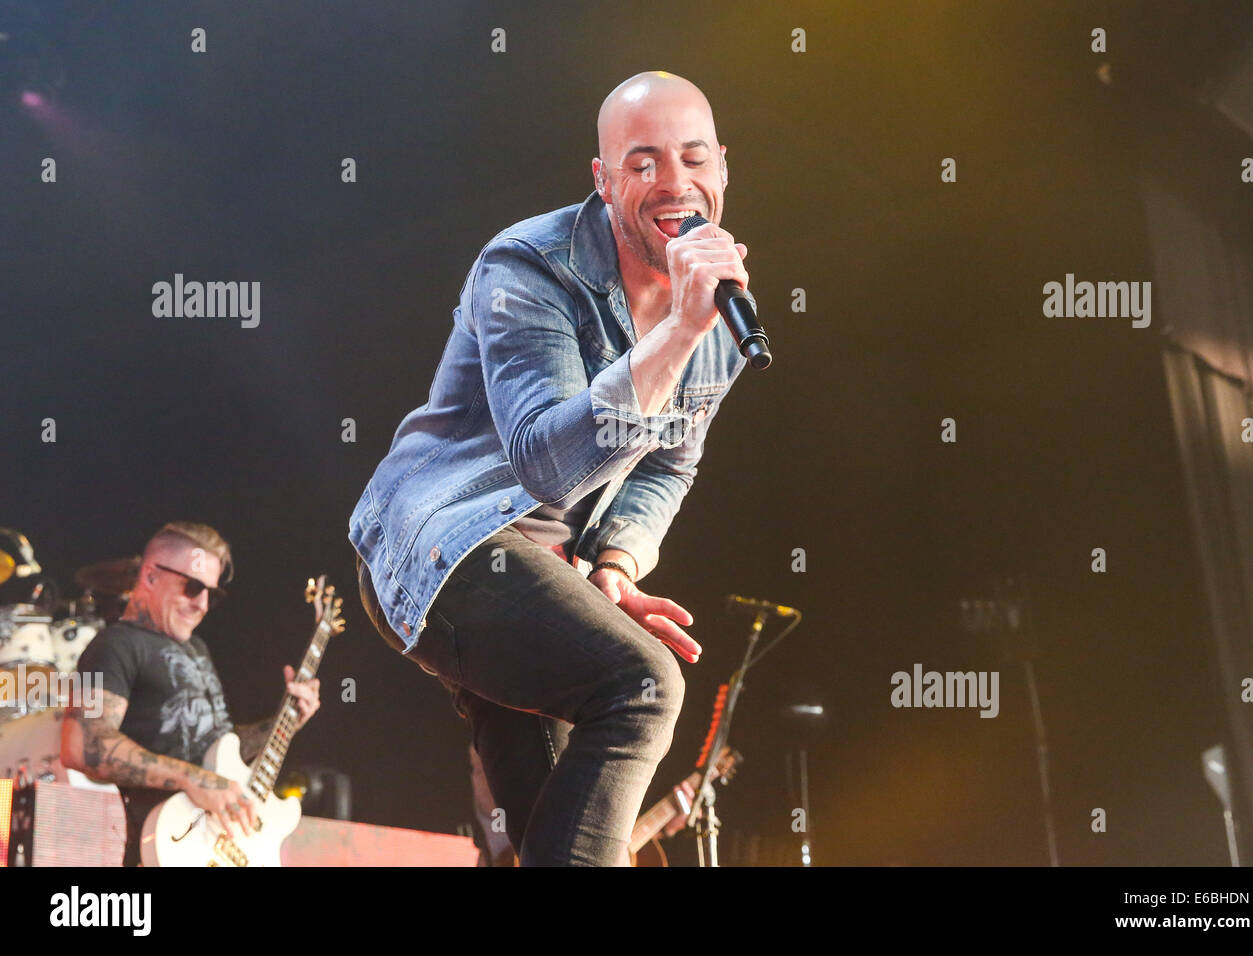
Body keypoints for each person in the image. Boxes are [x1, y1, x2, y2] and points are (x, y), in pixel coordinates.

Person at [351, 71, 750, 866]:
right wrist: (675, 330)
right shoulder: (529, 267)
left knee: (552, 830)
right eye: (643, 164)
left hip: (546, 566)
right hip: (446, 542)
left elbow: (668, 468)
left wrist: (614, 563)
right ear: (603, 181)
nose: (675, 183)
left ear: (723, 169)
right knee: (641, 689)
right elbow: (544, 460)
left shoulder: (718, 322)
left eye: (693, 159)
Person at [61, 521, 321, 867]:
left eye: (212, 594)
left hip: (215, 843)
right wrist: (195, 778)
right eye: (192, 587)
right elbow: (82, 746)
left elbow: (217, 748)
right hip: (161, 845)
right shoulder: (111, 646)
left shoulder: (197, 649)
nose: (202, 604)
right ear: (151, 576)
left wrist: (285, 723)